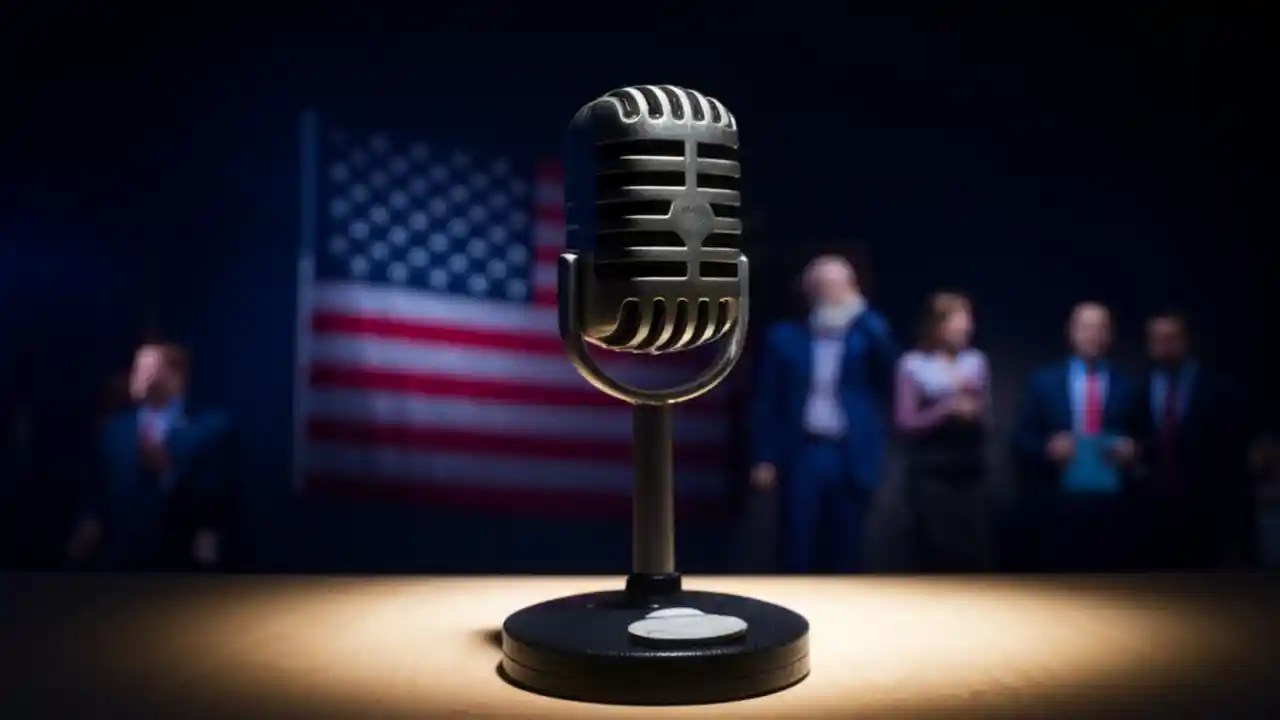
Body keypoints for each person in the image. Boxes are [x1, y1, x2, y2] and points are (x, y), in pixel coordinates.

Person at [750, 254, 898, 572]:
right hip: (803, 451)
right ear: (809, 290)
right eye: (824, 285)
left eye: (839, 284)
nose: (832, 292)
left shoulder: (867, 334)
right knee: (796, 541)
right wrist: (765, 456)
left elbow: (890, 375)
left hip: (849, 452)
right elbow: (767, 401)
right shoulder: (784, 338)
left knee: (847, 544)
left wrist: (864, 315)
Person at [67, 343, 232, 570]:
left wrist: (168, 472)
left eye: (146, 369)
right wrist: (87, 528)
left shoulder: (210, 430)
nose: (137, 376)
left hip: (178, 563)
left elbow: (217, 499)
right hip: (118, 563)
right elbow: (99, 489)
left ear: (176, 375)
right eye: (136, 369)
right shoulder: (115, 429)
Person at [1011, 302, 1142, 571]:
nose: (1092, 335)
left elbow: (1148, 439)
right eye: (1085, 327)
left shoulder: (1130, 384)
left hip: (1114, 504)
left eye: (1100, 328)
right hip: (1059, 502)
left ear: (1111, 335)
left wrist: (1135, 450)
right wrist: (1047, 449)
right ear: (1071, 332)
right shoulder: (1043, 381)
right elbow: (1020, 439)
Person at [1136, 312, 1244, 568]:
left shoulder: (1215, 386)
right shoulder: (1140, 385)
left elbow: (1229, 443)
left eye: (1171, 338)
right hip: (1154, 501)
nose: (1164, 346)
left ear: (1186, 340)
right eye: (1157, 340)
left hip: (1206, 501)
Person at [895, 292, 993, 571]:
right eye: (958, 320)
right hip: (930, 472)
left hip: (969, 470)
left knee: (972, 549)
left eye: (968, 320)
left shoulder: (975, 362)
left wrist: (975, 412)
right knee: (935, 549)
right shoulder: (913, 365)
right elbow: (905, 422)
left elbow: (988, 417)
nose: (966, 327)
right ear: (937, 325)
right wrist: (945, 409)